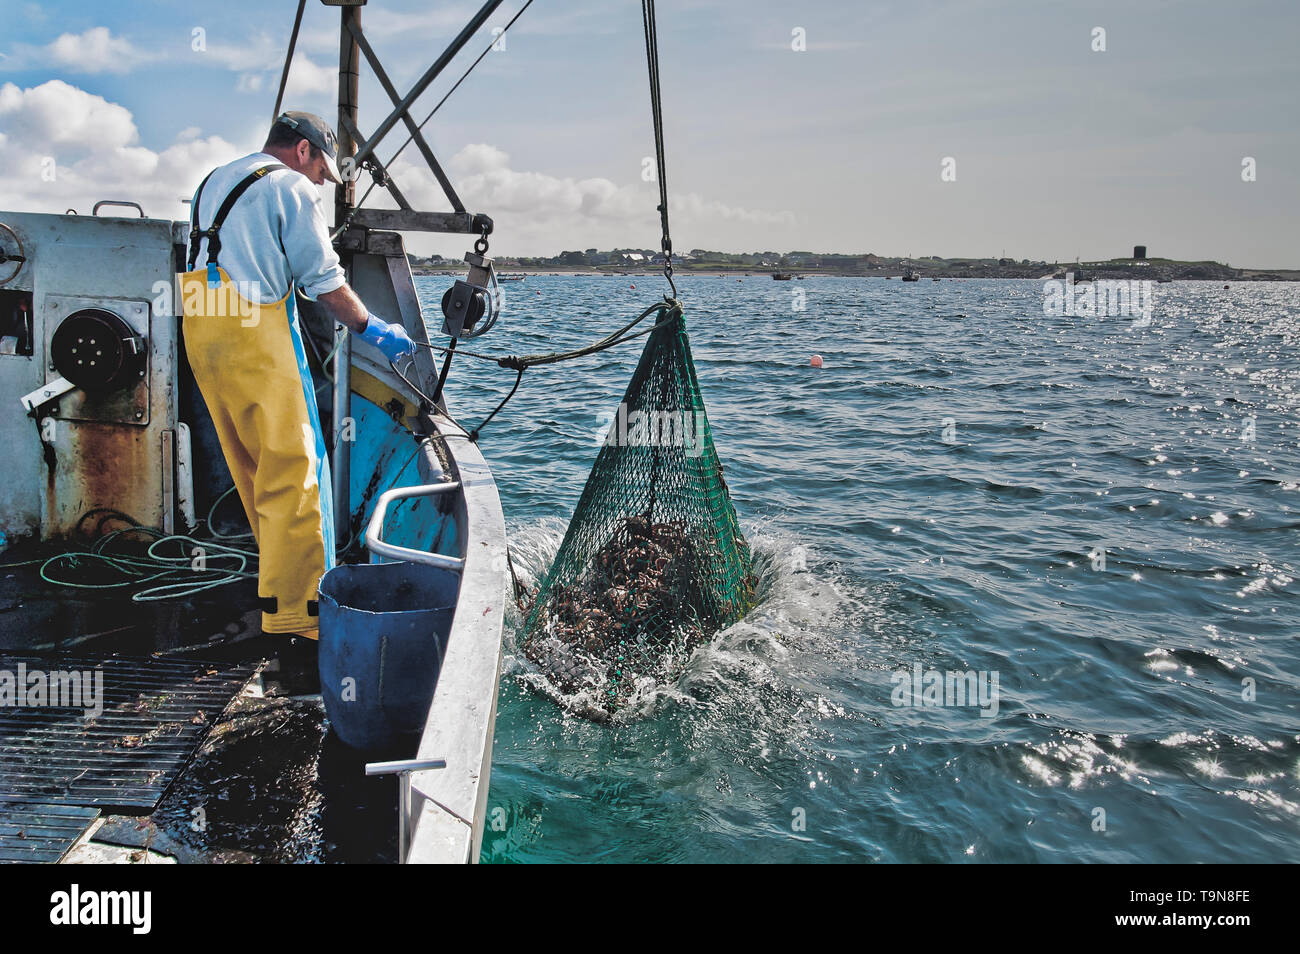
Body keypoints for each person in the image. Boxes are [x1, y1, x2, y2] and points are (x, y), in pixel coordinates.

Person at [179, 110, 417, 640]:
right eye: (322, 174)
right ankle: (302, 622)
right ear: (304, 150)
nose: (321, 184)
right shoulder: (289, 186)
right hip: (254, 342)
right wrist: (373, 327)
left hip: (204, 336)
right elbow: (324, 281)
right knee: (297, 476)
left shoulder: (213, 180)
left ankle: (276, 593)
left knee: (253, 471)